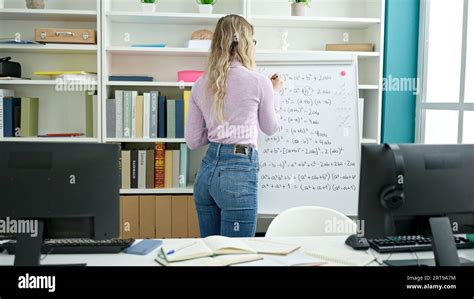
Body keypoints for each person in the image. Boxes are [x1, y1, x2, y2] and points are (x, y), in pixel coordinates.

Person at [185, 15, 283, 238]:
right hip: (237, 175)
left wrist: (218, 129)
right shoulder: (260, 82)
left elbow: (193, 141)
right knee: (238, 254)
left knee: (212, 252)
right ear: (247, 43)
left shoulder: (200, 84)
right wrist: (275, 93)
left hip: (206, 174)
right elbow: (270, 127)